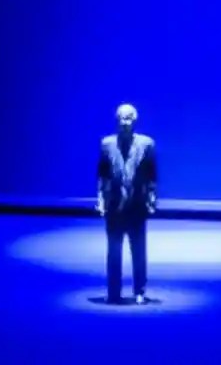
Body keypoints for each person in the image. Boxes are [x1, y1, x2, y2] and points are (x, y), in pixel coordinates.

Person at [96, 103, 157, 304]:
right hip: (114, 206)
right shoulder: (106, 144)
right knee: (114, 252)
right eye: (122, 118)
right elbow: (102, 176)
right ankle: (113, 292)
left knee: (138, 251)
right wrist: (101, 199)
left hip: (136, 206)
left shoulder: (147, 144)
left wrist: (152, 199)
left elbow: (151, 176)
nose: (125, 122)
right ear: (117, 120)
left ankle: (139, 290)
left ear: (135, 121)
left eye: (129, 118)